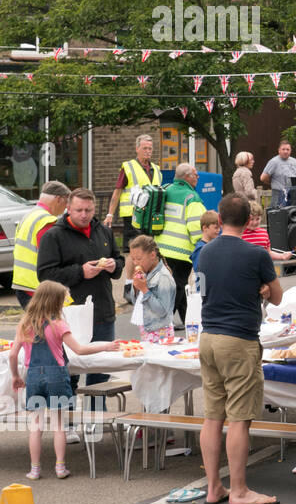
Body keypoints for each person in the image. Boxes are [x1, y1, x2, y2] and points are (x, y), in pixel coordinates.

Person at [193, 194, 282, 504]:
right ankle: (240, 490)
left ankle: (214, 486)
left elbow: (206, 290)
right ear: (248, 221)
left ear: (218, 219)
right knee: (240, 418)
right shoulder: (256, 254)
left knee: (212, 416)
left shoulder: (204, 253)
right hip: (238, 339)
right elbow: (278, 297)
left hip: (208, 337)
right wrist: (261, 289)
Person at [8, 280, 120, 480]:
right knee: (59, 424)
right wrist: (106, 346)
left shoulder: (24, 324)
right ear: (54, 302)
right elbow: (80, 350)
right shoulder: (59, 324)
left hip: (33, 375)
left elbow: (12, 355)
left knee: (36, 425)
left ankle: (35, 468)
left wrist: (16, 376)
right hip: (57, 377)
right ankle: (60, 467)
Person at [36, 187, 121, 412]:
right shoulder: (54, 235)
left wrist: (114, 265)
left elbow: (120, 261)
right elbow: (45, 275)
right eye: (79, 210)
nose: (84, 214)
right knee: (69, 371)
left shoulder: (103, 231)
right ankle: (69, 421)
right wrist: (79, 272)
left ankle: (96, 420)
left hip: (102, 311)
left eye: (89, 210)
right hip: (69, 315)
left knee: (100, 371)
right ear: (68, 209)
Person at [157, 164, 206, 321]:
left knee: (177, 285)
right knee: (178, 286)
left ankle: (189, 320)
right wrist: (200, 245)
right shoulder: (191, 197)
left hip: (160, 248)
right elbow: (196, 227)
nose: (198, 178)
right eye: (195, 175)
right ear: (187, 177)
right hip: (181, 251)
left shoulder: (165, 189)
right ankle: (164, 324)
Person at [12, 180, 71, 308]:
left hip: (22, 282)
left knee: (35, 327)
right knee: (47, 327)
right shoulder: (47, 221)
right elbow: (51, 258)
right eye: (66, 202)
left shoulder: (29, 215)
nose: (66, 208)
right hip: (38, 287)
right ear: (58, 199)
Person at [106, 133, 162, 251]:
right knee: (134, 249)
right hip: (133, 216)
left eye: (150, 148)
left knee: (149, 248)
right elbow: (117, 191)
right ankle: (132, 270)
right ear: (137, 149)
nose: (148, 151)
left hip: (151, 215)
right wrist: (110, 214)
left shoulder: (156, 169)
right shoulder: (128, 167)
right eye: (144, 148)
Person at [124, 235, 177, 342]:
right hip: (147, 329)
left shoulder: (163, 277)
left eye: (139, 259)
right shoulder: (146, 272)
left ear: (152, 255)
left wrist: (144, 289)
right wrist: (136, 286)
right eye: (133, 259)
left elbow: (163, 310)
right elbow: (135, 302)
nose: (135, 263)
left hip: (160, 331)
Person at [260, 140, 296, 209]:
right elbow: (263, 177)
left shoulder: (295, 161)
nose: (285, 151)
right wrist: (271, 182)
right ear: (279, 150)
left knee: (293, 217)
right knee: (278, 218)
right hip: (278, 195)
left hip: (293, 194)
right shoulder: (274, 162)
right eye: (283, 149)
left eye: (288, 149)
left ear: (290, 150)